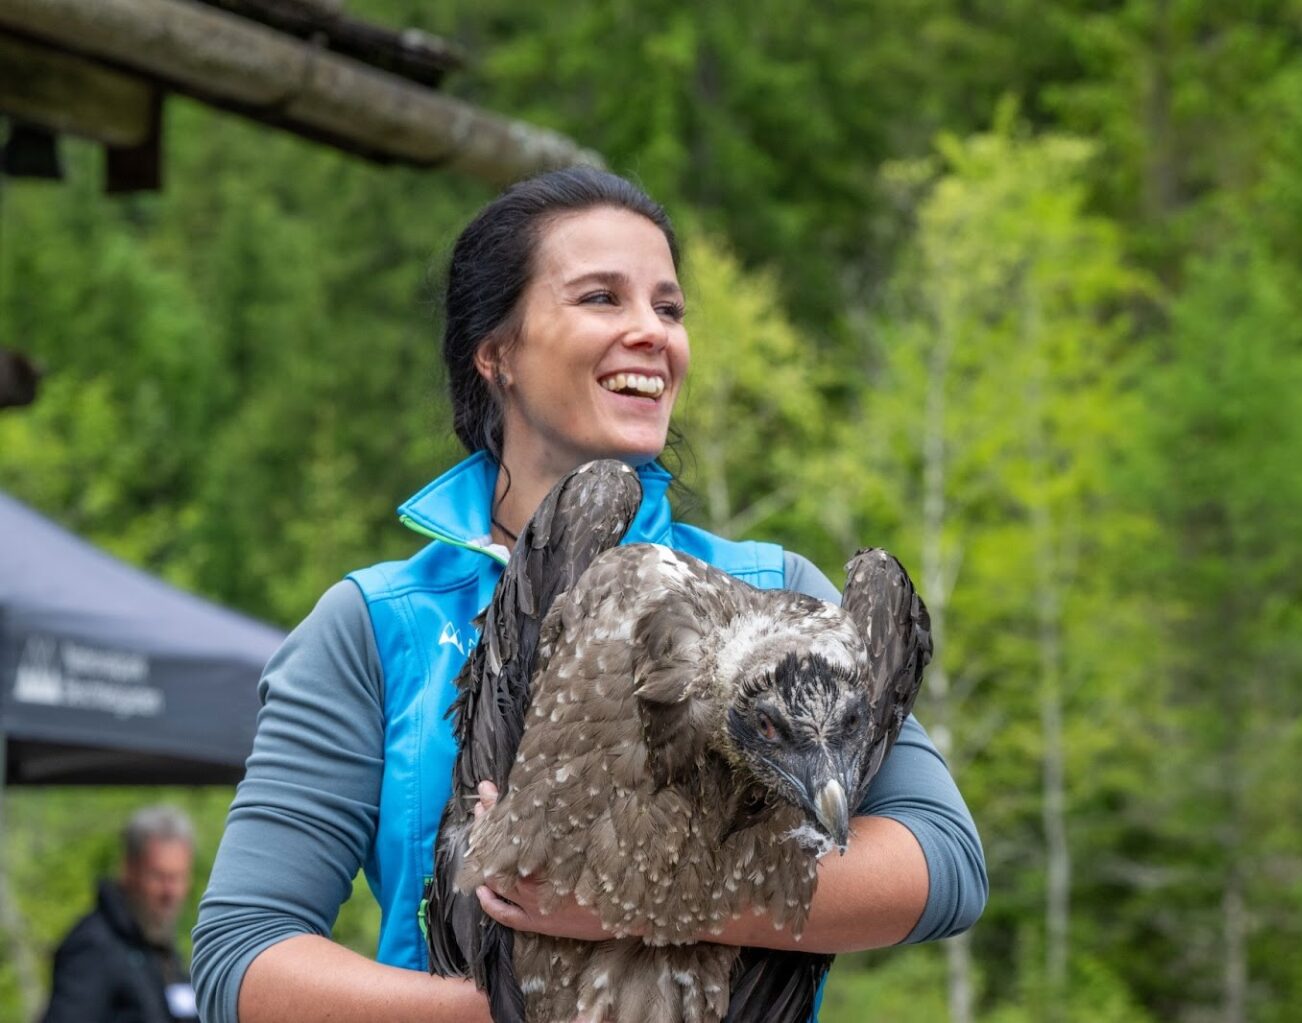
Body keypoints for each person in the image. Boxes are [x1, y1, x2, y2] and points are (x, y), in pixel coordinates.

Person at [191, 167, 986, 1023]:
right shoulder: (380, 624)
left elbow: (944, 863)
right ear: (495, 354)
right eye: (602, 298)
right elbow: (242, 958)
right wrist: (516, 1010)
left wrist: (640, 892)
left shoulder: (775, 597)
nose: (651, 331)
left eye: (669, 308)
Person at [41, 804, 200, 1023]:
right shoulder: (94, 947)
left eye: (178, 878)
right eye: (159, 877)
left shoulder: (159, 948)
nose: (170, 892)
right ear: (129, 870)